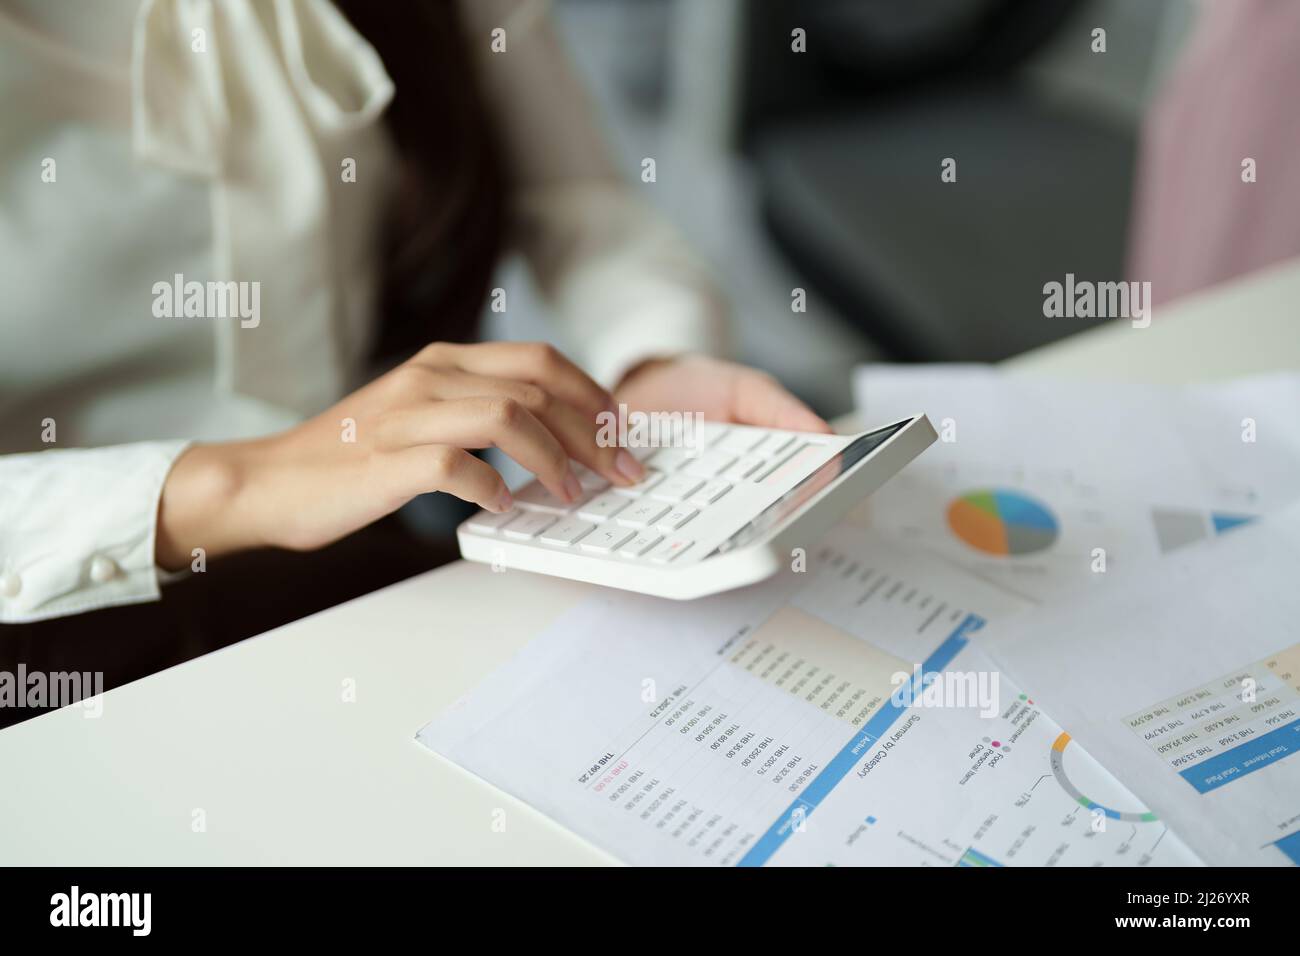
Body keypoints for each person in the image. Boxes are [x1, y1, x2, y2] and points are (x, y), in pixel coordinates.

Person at [0, 0, 827, 698]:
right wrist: (241, 480)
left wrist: (653, 358)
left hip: (360, 567)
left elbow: (578, 204)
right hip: (48, 631)